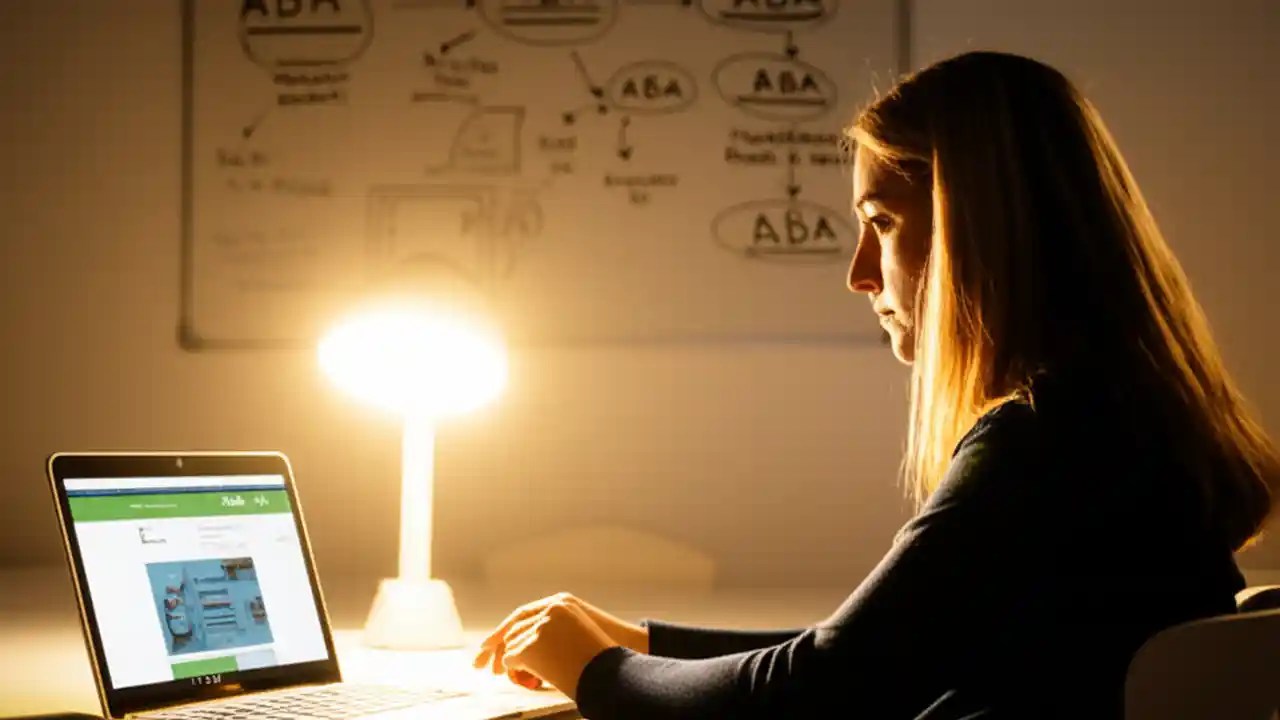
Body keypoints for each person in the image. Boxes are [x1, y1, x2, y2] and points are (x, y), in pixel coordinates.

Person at [470, 50, 1279, 719]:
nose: (860, 274)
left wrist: (595, 671)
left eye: (882, 222)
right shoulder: (1122, 421)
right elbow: (884, 643)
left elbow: (822, 691)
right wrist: (645, 643)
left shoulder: (1041, 441)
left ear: (978, 228)